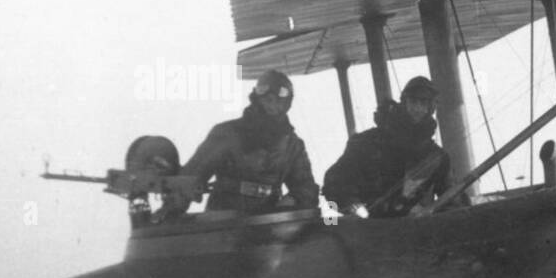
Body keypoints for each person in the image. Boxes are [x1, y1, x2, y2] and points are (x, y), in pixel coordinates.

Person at [168, 69, 319, 216]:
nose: (271, 101)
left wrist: (286, 207)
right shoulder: (227, 133)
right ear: (256, 97)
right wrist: (170, 211)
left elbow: (306, 188)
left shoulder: (293, 145)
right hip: (224, 221)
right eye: (265, 94)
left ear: (288, 102)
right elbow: (191, 176)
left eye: (279, 96)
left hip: (268, 222)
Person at [323, 76, 452, 218]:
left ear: (431, 108)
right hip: (370, 229)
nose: (418, 108)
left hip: (417, 230)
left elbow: (451, 199)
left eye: (424, 103)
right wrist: (357, 210)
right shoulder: (366, 143)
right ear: (404, 103)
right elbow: (334, 182)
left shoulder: (435, 157)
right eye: (413, 101)